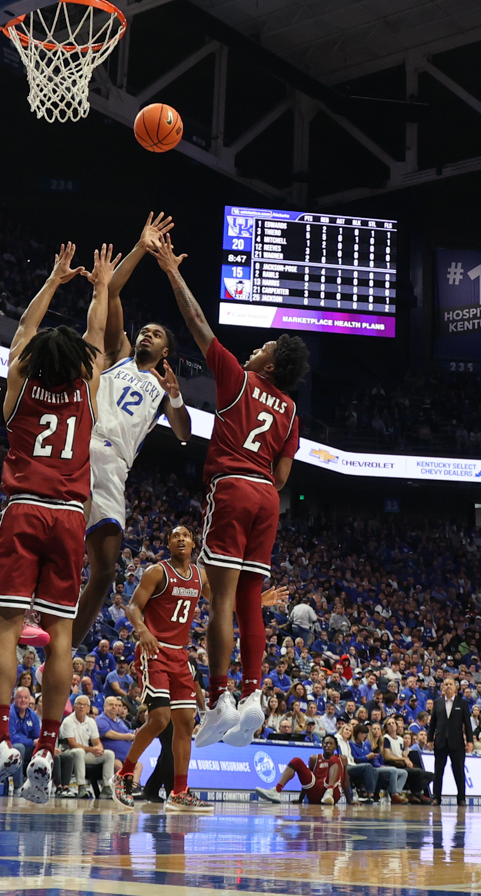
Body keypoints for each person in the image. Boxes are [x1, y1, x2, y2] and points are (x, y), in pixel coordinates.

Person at [0, 241, 113, 803]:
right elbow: (96, 340)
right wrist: (99, 288)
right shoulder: (86, 388)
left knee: (3, 628)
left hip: (26, 508)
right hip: (71, 518)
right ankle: (49, 750)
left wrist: (53, 279)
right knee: (58, 637)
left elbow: (24, 331)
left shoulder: (20, 385)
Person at [153, 235, 309, 749]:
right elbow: (284, 477)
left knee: (220, 596)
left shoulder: (241, 380)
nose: (253, 348)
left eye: (261, 347)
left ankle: (219, 697)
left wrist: (174, 272)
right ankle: (253, 696)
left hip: (234, 486)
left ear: (267, 364)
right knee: (248, 601)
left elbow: (197, 324)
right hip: (268, 496)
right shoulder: (290, 410)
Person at [72, 213, 192, 651]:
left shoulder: (164, 388)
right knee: (62, 537)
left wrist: (176, 398)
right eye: (145, 330)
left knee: (104, 571)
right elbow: (113, 289)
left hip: (115, 468)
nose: (146, 335)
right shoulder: (119, 353)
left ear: (166, 350)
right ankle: (40, 609)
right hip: (84, 446)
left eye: (156, 334)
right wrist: (142, 247)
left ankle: (65, 646)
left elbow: (183, 434)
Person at [113, 525, 205, 811]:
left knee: (185, 723)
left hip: (180, 656)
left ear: (193, 544)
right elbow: (132, 607)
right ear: (168, 543)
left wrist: (256, 602)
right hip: (154, 650)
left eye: (186, 536)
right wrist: (142, 630)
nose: (181, 539)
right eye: (175, 536)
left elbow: (224, 604)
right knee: (160, 718)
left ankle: (179, 791)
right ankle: (124, 774)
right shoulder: (157, 571)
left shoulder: (201, 575)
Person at [258, 733, 348, 804]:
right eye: (326, 743)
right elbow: (307, 781)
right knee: (296, 760)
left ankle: (329, 790)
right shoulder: (314, 758)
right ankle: (277, 791)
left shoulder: (341, 759)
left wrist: (349, 801)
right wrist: (300, 799)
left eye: (331, 744)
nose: (328, 745)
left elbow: (346, 781)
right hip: (315, 793)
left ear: (335, 746)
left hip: (332, 795)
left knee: (334, 759)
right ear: (322, 745)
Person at [58, 694, 117, 799]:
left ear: (88, 708)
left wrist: (99, 749)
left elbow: (97, 742)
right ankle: (81, 787)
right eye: (79, 704)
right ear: (74, 707)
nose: (81, 707)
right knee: (79, 751)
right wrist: (91, 749)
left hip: (85, 753)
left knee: (109, 754)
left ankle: (107, 787)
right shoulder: (68, 721)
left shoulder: (91, 722)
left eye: (84, 705)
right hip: (68, 754)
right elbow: (72, 744)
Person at [430, 677, 470, 806]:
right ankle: (436, 797)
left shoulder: (462, 703)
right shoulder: (437, 702)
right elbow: (433, 723)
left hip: (457, 742)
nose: (448, 686)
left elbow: (467, 724)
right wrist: (430, 739)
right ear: (442, 687)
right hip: (440, 741)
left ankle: (461, 798)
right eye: (446, 684)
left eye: (450, 684)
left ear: (455, 688)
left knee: (459, 772)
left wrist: (470, 741)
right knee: (438, 771)